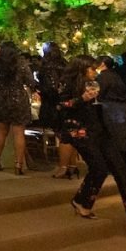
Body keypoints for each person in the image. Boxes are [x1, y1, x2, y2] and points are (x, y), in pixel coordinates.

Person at [60, 55, 126, 232]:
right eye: (91, 68)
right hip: (81, 132)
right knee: (99, 167)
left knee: (121, 169)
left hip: (101, 130)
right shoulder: (69, 86)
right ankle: (82, 201)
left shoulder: (97, 83)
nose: (95, 72)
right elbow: (60, 107)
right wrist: (82, 99)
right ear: (82, 68)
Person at [0, 42, 35, 174]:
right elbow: (31, 81)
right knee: (19, 133)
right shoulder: (21, 64)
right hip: (19, 98)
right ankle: (18, 164)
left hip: (2, 98)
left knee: (0, 131)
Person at [38, 43, 76, 179]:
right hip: (67, 102)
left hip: (53, 103)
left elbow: (51, 88)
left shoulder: (47, 67)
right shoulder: (65, 64)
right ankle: (72, 165)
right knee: (68, 134)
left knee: (62, 135)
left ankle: (63, 166)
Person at [96, 56, 126, 168]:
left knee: (113, 138)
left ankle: (115, 166)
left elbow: (99, 94)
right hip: (124, 109)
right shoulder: (116, 75)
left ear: (103, 64)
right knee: (123, 138)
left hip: (112, 110)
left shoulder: (103, 77)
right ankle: (124, 165)